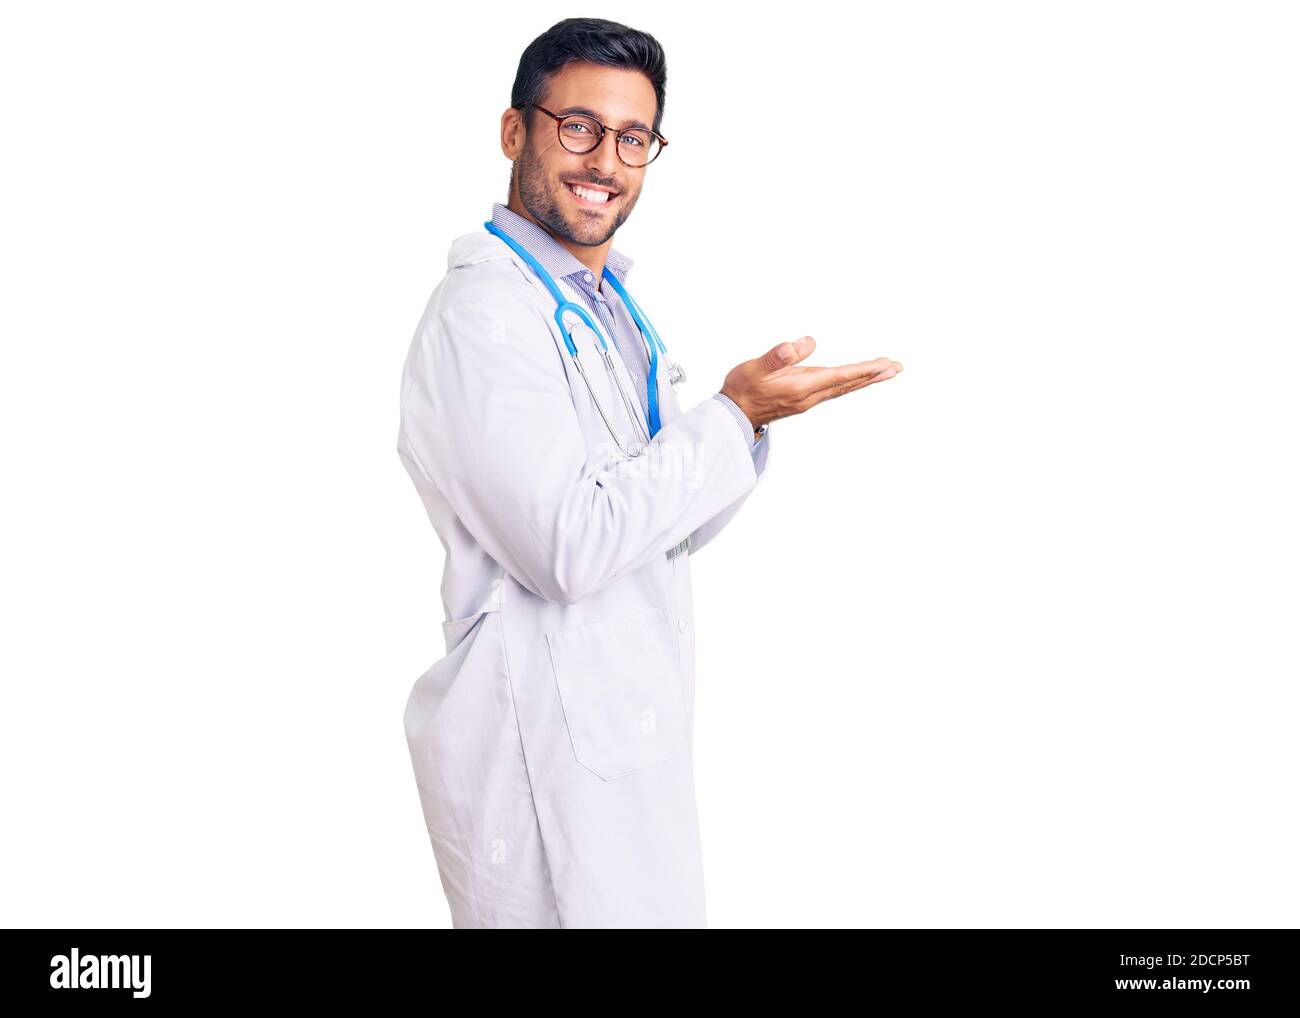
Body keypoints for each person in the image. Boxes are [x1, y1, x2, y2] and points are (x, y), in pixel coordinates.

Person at [396, 16, 903, 928]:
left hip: (623, 740)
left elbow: (669, 523)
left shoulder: (608, 306)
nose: (605, 160)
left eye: (634, 138)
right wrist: (735, 415)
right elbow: (567, 549)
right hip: (537, 754)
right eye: (578, 127)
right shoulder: (485, 316)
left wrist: (747, 421)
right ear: (516, 131)